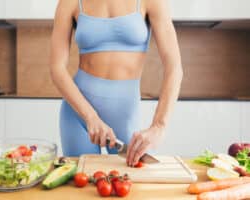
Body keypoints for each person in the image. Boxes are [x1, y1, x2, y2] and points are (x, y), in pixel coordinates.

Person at [50, 0, 183, 167]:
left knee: (133, 184)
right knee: (80, 185)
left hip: (125, 114)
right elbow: (56, 68)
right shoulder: (69, 2)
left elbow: (174, 67)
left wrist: (159, 126)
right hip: (79, 114)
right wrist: (90, 116)